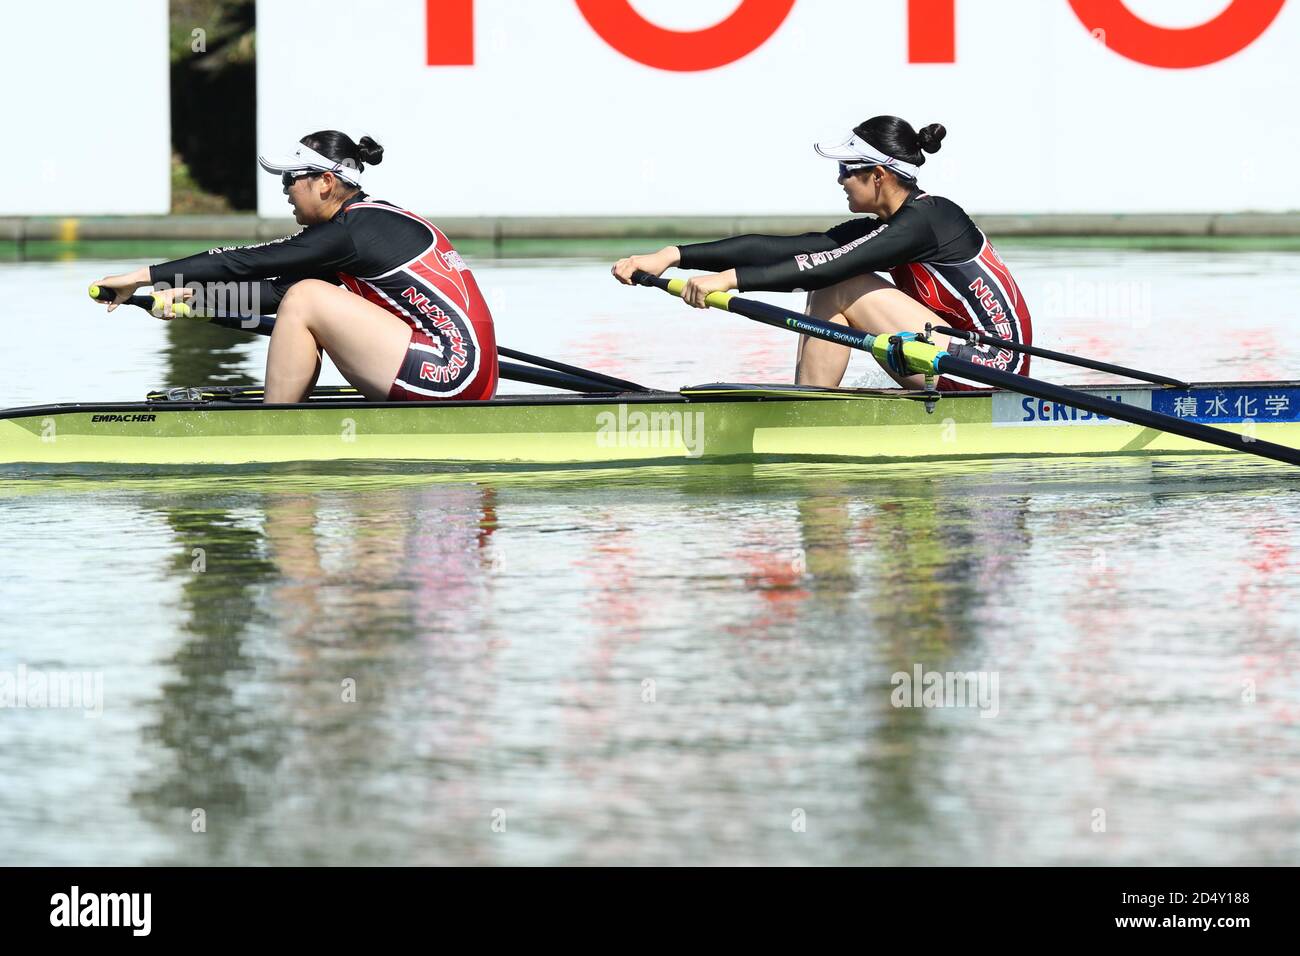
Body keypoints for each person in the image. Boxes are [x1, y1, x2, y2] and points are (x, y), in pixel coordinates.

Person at [613, 116, 1032, 391]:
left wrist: (727, 280)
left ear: (879, 175)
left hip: (993, 368)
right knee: (833, 277)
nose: (840, 181)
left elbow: (827, 268)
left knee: (839, 280)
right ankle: (812, 399)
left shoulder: (930, 219)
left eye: (845, 170)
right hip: (949, 354)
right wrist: (671, 255)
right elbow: (784, 248)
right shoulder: (892, 227)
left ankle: (811, 404)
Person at [94, 131, 497, 403]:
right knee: (301, 296)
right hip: (462, 372)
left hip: (449, 373)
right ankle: (283, 420)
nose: (285, 190)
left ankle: (276, 430)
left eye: (290, 179)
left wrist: (138, 276)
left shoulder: (351, 231)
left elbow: (245, 262)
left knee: (308, 297)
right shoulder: (363, 226)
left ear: (324, 182)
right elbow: (274, 294)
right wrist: (196, 300)